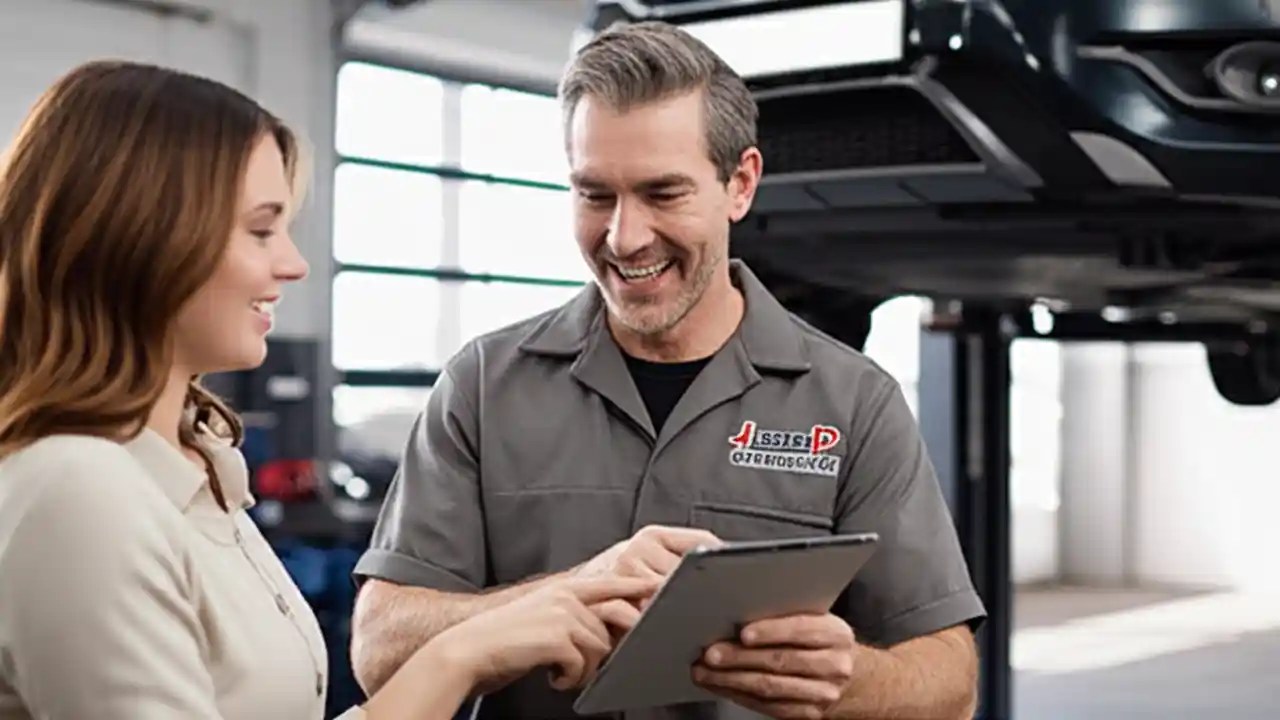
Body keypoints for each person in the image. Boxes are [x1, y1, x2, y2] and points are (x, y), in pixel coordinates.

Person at [351, 20, 986, 720]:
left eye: (662, 193)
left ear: (739, 185)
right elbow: (380, 648)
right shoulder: (481, 387)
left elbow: (949, 683)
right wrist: (556, 598)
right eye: (596, 195)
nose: (625, 237)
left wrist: (850, 677)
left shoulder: (853, 403)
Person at [0, 60, 656, 720]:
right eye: (260, 230)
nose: (293, 263)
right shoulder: (78, 490)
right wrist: (457, 656)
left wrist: (473, 647)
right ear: (136, 238)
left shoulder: (193, 469)